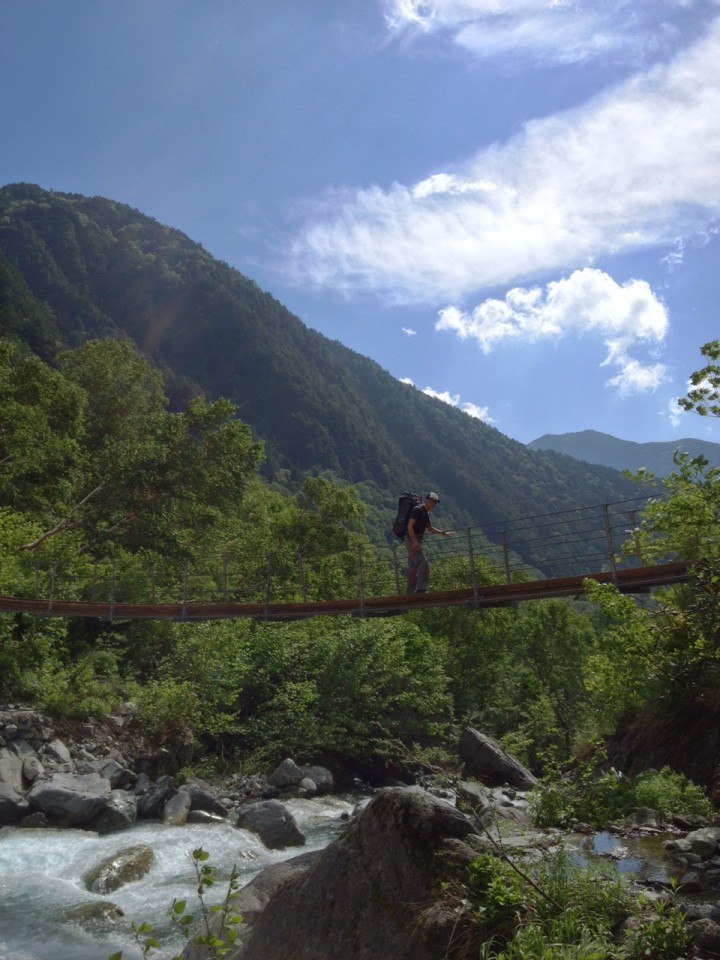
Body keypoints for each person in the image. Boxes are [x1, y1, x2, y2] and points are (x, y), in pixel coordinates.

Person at [404, 492, 456, 594]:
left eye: (435, 503)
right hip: (411, 539)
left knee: (413, 566)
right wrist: (414, 541)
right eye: (433, 502)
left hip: (416, 539)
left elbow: (429, 528)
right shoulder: (417, 510)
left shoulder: (425, 513)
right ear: (427, 501)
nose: (434, 505)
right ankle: (421, 589)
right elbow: (409, 526)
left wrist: (443, 533)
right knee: (423, 562)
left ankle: (409, 592)